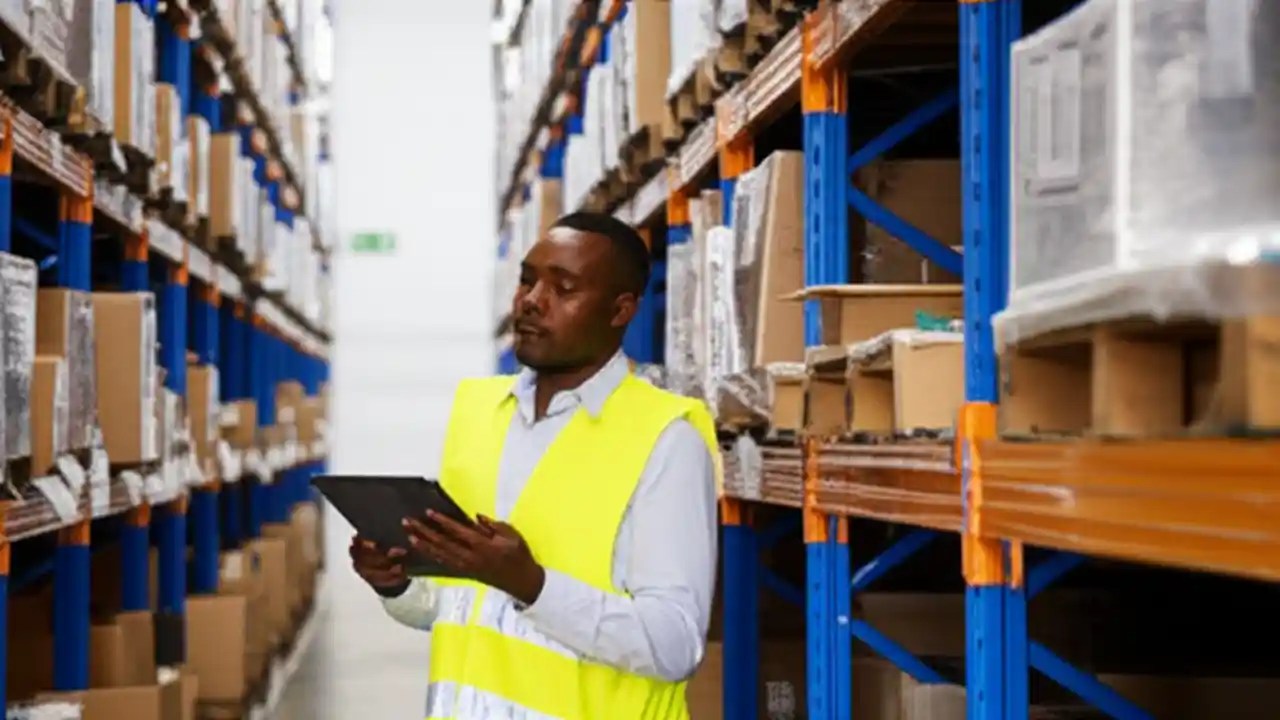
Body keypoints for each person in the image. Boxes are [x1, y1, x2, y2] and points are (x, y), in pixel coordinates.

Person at [349, 211, 721, 719]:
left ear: (620, 310)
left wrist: (533, 585)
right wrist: (395, 583)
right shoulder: (478, 414)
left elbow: (674, 644)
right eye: (527, 281)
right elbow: (460, 612)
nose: (531, 301)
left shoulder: (666, 439)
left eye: (563, 289)